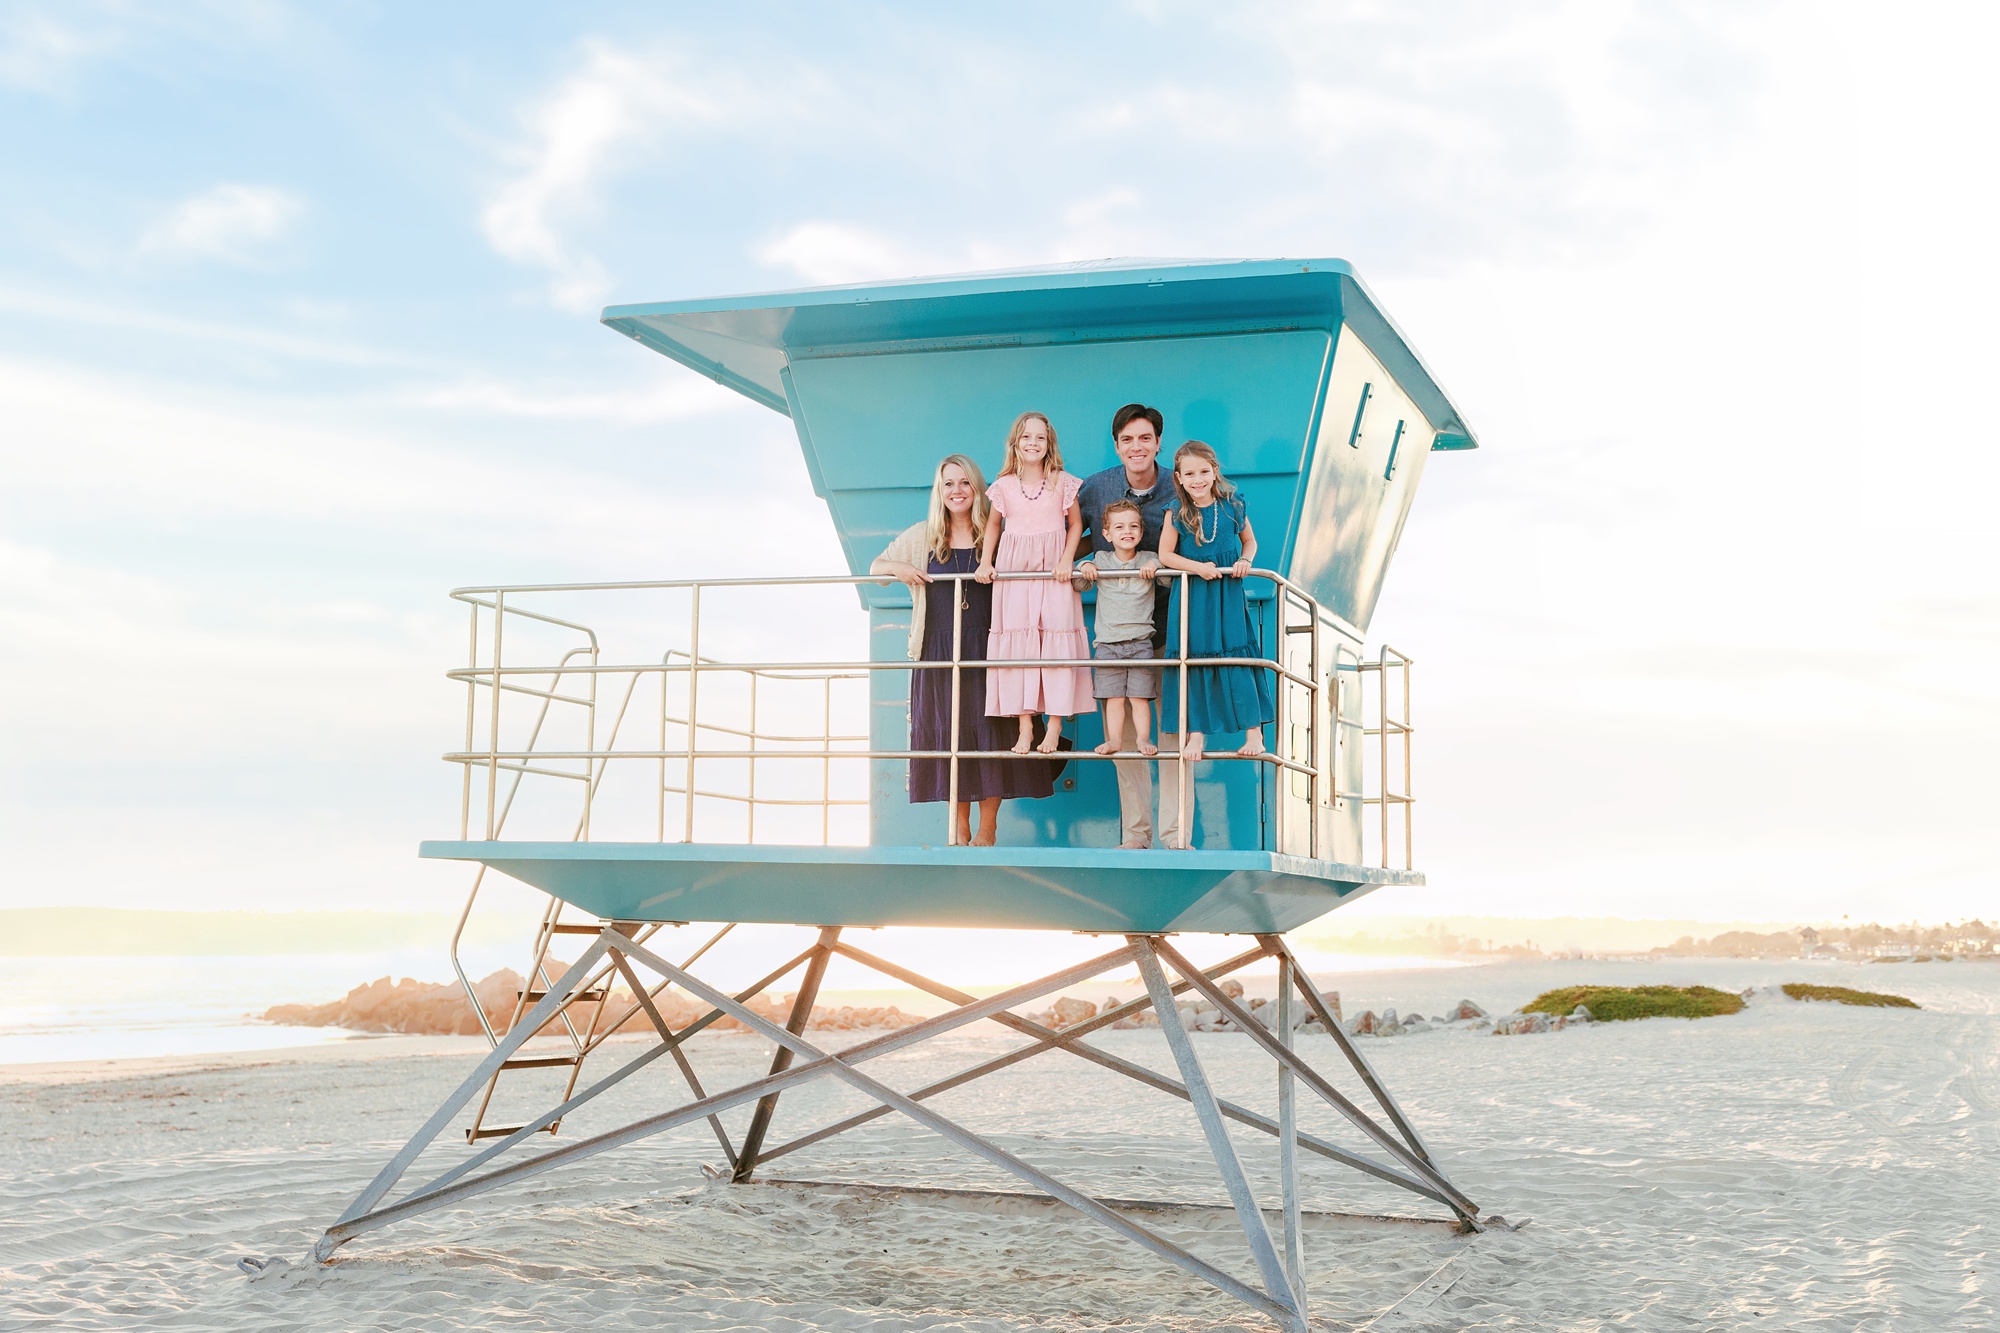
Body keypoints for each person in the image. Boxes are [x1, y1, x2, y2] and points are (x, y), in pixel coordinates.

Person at [872, 453, 1055, 845]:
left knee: (993, 733)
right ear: (940, 491)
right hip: (938, 651)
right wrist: (898, 569)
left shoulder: (996, 532)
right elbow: (876, 566)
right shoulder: (924, 535)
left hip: (989, 646)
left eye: (964, 483)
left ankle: (987, 827)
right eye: (948, 484)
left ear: (977, 488)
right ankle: (959, 825)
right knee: (949, 735)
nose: (957, 491)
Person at [1158, 440, 1276, 845]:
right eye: (1188, 474)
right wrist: (1198, 568)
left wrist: (1245, 561)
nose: (1197, 480)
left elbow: (1250, 542)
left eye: (1203, 471)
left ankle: (1254, 733)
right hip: (1193, 596)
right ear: (1179, 478)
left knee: (1236, 659)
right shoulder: (1176, 513)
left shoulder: (1232, 505)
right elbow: (1165, 556)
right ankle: (1196, 732)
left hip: (1227, 593)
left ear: (1214, 470)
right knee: (1194, 662)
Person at [1076, 404, 1180, 848]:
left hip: (1172, 629)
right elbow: (1071, 537)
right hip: (1117, 636)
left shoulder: (1182, 485)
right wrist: (1076, 566)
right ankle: (1137, 835)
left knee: (1170, 733)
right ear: (1117, 446)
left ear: (1158, 443)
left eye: (1145, 439)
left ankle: (1176, 835)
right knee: (1125, 740)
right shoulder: (1097, 489)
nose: (1136, 447)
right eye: (1127, 440)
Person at [976, 411, 1093, 754]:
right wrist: (986, 561)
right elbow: (994, 525)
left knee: (1058, 641)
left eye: (1040, 437)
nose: (1033, 443)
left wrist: (1067, 559)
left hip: (1053, 569)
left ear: (1049, 443)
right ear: (1015, 442)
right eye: (1027, 437)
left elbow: (1076, 525)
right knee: (1020, 646)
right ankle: (1025, 726)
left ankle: (1055, 726)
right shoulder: (1003, 487)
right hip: (1014, 572)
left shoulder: (1063, 482)